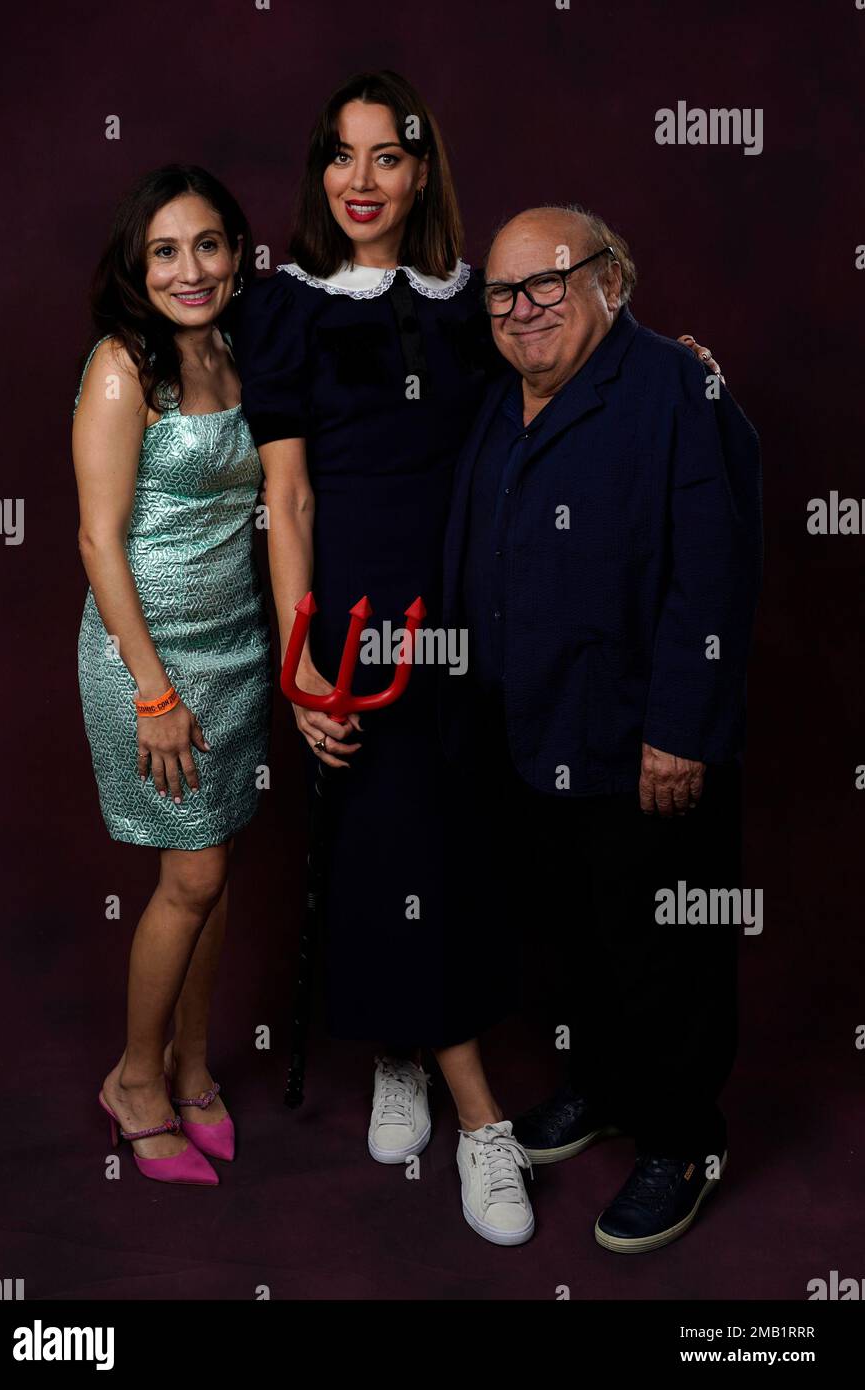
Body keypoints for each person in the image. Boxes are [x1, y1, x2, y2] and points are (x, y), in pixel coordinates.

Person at [235, 69, 723, 1245]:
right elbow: (286, 497)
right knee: (386, 828)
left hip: (474, 622)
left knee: (451, 856)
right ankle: (475, 1114)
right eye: (340, 158)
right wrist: (303, 663)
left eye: (386, 156)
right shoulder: (286, 307)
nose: (361, 180)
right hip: (352, 632)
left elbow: (569, 364)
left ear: (419, 169)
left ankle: (399, 1043)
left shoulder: (468, 302)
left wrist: (672, 364)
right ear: (320, 174)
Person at [439, 203, 762, 1252]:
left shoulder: (674, 387)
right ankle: (608, 1089)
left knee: (664, 948)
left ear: (608, 282)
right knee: (577, 938)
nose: (522, 307)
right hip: (530, 731)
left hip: (639, 741)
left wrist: (680, 730)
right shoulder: (502, 398)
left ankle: (680, 1139)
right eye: (501, 290)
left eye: (549, 282)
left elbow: (713, 575)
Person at [74, 164, 270, 1185]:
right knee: (190, 872)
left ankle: (194, 1067)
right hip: (142, 653)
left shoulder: (242, 350)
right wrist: (152, 690)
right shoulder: (123, 366)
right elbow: (100, 542)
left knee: (213, 867)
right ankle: (135, 1081)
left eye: (207, 245)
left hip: (235, 645)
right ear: (136, 266)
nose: (189, 268)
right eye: (164, 250)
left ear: (238, 253)